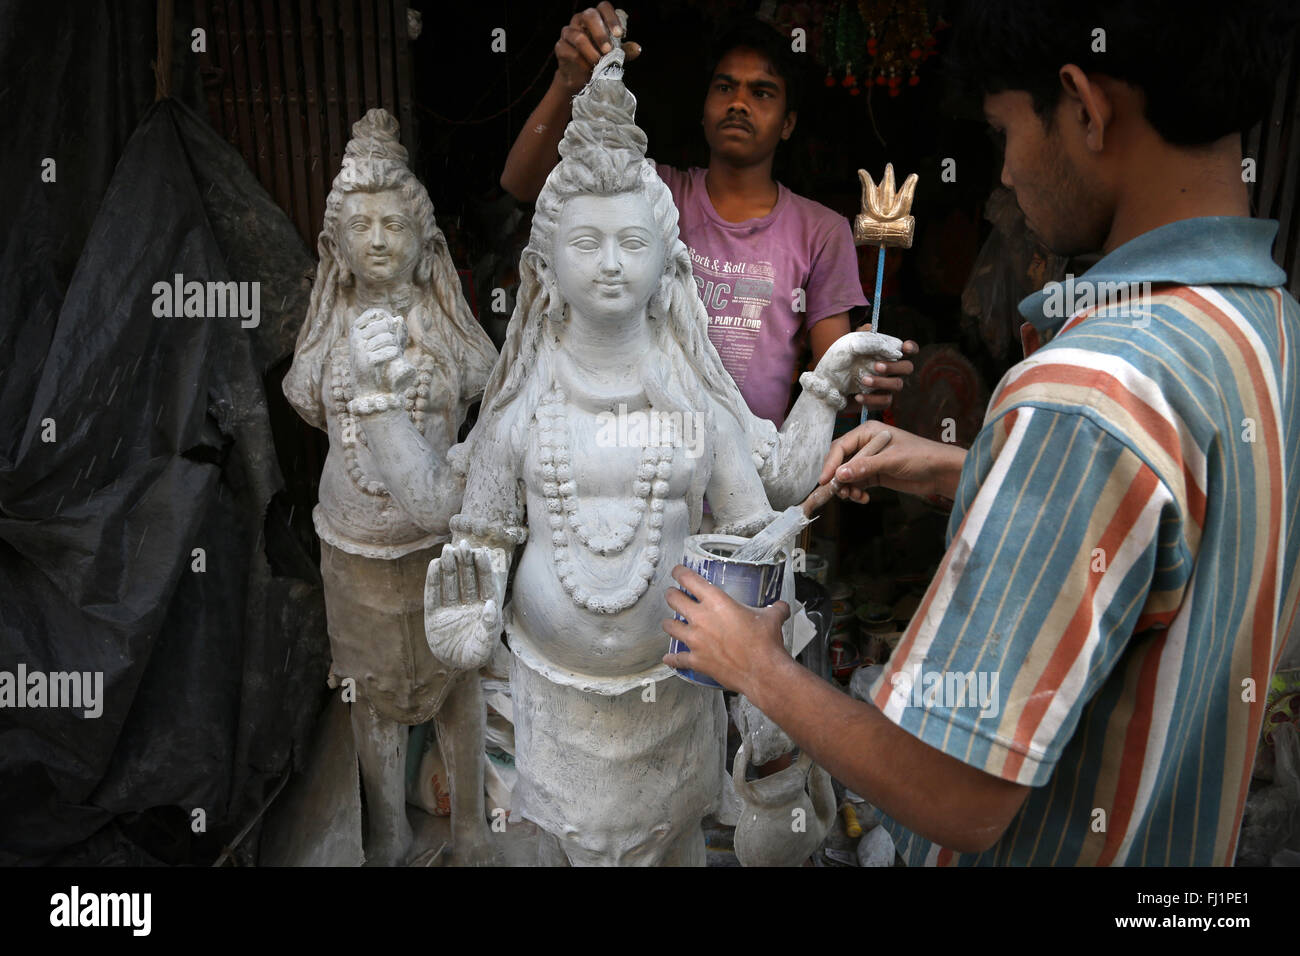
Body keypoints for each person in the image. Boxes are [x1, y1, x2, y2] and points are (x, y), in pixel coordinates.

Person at [663, 0, 1300, 865]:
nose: (1003, 178)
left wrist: (758, 667)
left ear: (1084, 105)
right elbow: (1166, 534)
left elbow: (958, 796)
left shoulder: (1081, 398)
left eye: (1003, 133)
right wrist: (969, 470)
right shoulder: (1269, 332)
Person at [422, 47, 887, 865]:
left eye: (631, 242)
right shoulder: (523, 402)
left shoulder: (697, 404)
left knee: (673, 847)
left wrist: (820, 396)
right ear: (544, 266)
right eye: (587, 242)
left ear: (667, 265)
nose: (609, 263)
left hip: (670, 703)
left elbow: (755, 531)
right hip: (555, 699)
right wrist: (474, 602)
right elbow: (485, 535)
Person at [500, 5, 918, 427]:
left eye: (762, 92)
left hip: (754, 477)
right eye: (724, 87)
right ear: (702, 111)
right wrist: (566, 82)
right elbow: (523, 184)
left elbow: (833, 374)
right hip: (644, 468)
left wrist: (863, 374)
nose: (739, 102)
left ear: (788, 123)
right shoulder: (649, 192)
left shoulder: (821, 230)